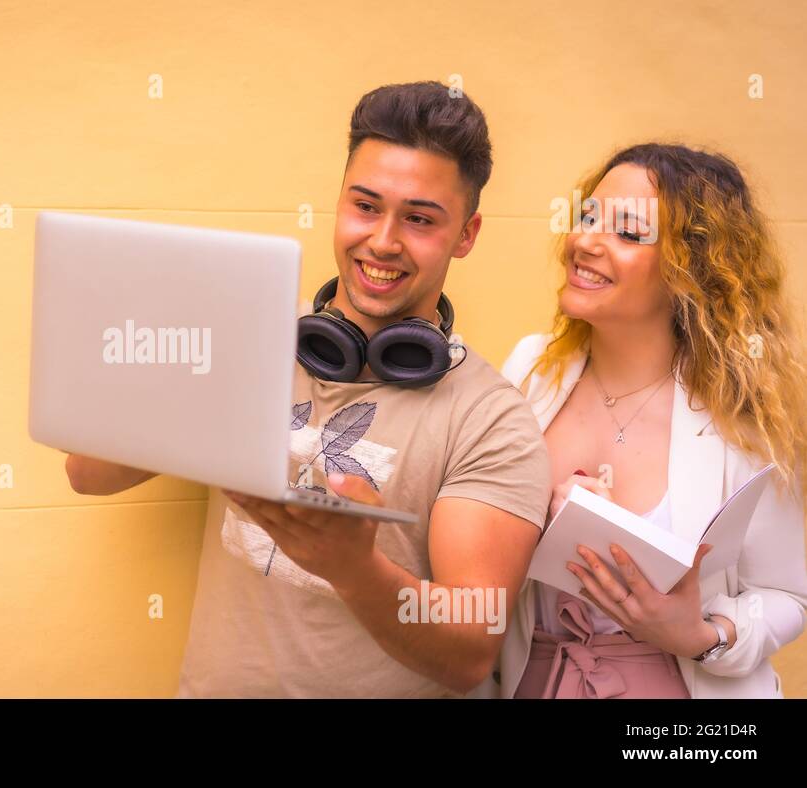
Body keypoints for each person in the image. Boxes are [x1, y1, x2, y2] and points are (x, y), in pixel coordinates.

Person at [67, 81, 551, 697]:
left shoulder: (492, 420)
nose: (382, 241)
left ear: (466, 234)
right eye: (366, 206)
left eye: (420, 219)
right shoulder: (250, 337)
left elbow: (470, 652)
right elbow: (87, 473)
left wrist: (357, 572)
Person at [489, 143, 807, 698]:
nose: (585, 242)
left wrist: (703, 634)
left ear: (691, 270)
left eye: (628, 233)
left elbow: (789, 594)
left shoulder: (744, 416)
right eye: (588, 217)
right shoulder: (529, 370)